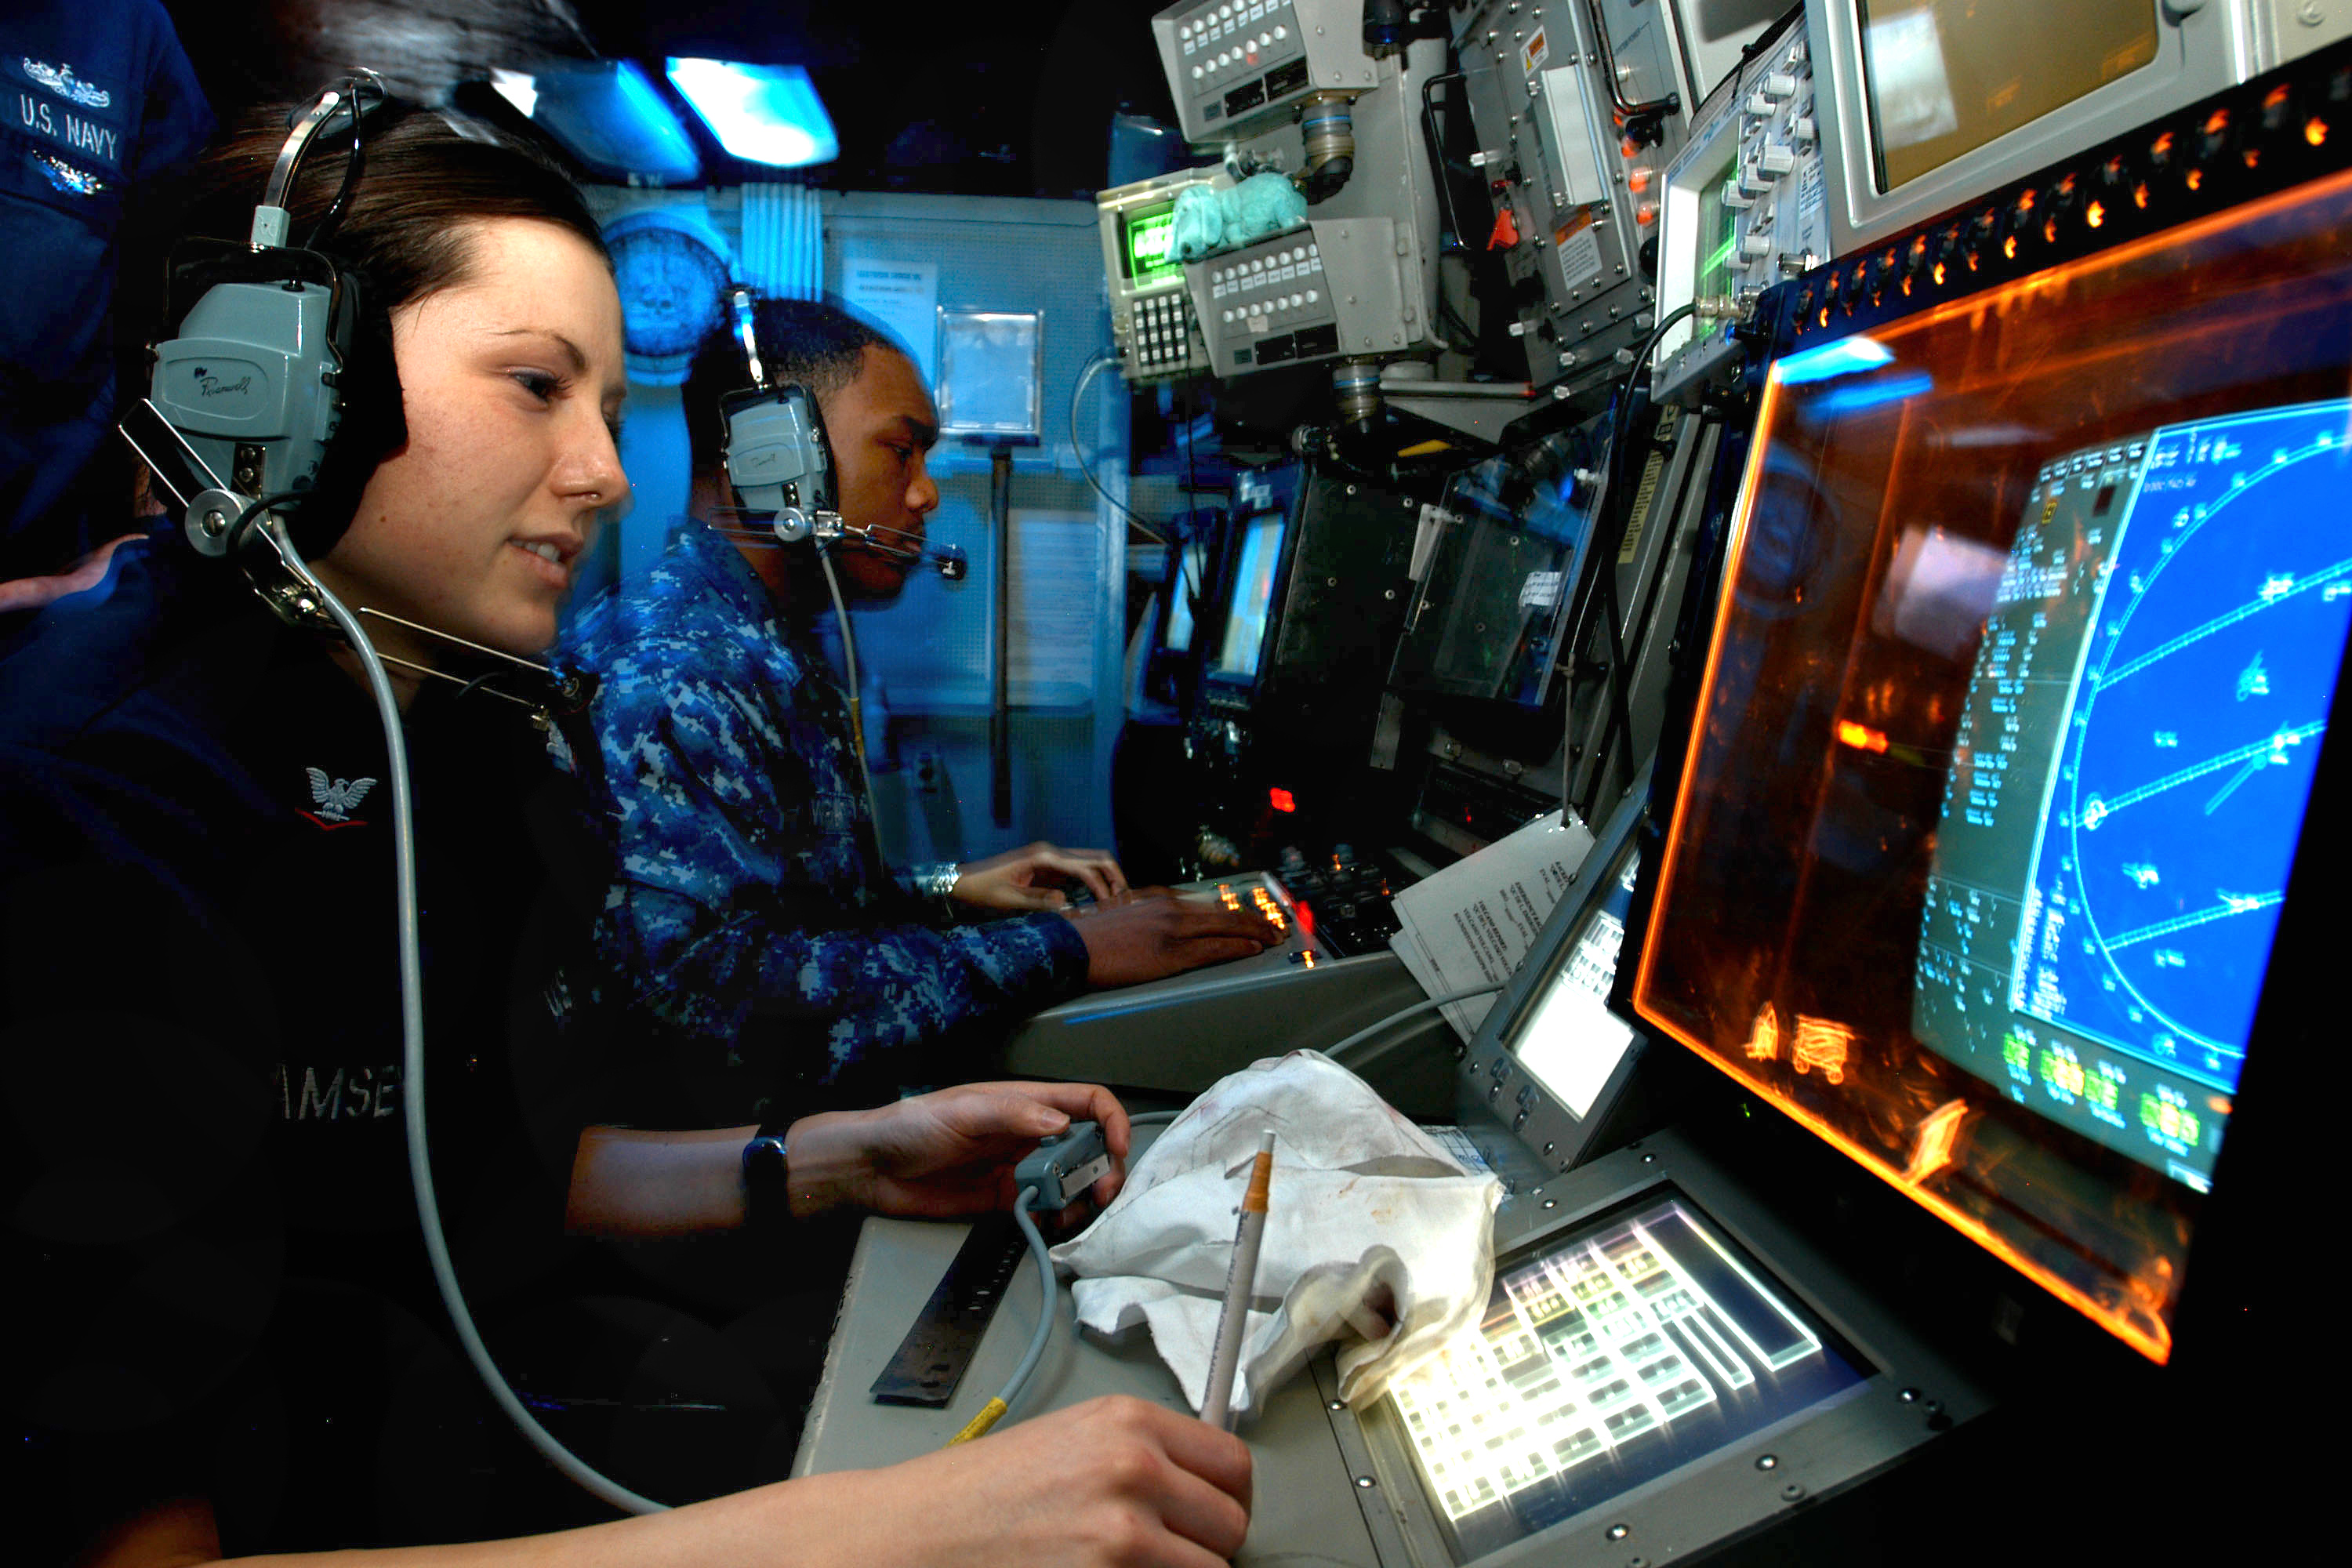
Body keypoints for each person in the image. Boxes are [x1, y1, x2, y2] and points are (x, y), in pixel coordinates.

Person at [1, 101, 1250, 1566]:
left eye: (604, 406)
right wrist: (889, 1534)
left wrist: (854, 1155)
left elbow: (486, 1173)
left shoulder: (451, 733)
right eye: (537, 386)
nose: (603, 473)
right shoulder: (88, 814)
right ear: (280, 389)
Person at [558, 297, 1281, 1112]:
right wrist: (1066, 946)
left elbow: (794, 913)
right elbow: (722, 1008)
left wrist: (946, 888)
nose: (926, 495)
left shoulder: (757, 640)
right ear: (772, 454)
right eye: (901, 452)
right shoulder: (676, 669)